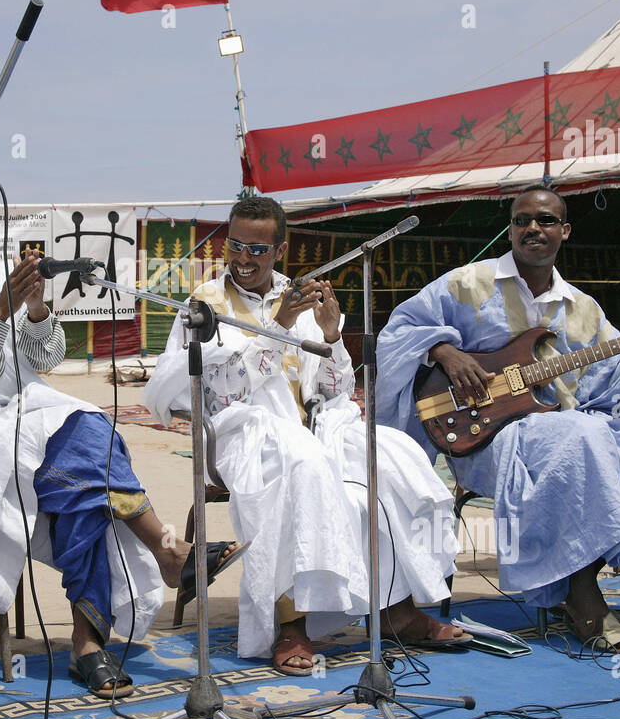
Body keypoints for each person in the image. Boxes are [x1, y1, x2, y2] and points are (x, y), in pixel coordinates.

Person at [0, 191, 243, 699]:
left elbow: (47, 357)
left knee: (86, 455)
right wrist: (0, 313)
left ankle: (102, 631)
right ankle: (144, 577)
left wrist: (31, 311)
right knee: (86, 450)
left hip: (36, 428)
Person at [375, 186, 620, 654]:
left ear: (564, 231)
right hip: (485, 440)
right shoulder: (468, 283)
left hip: (563, 429)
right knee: (583, 435)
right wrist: (446, 351)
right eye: (522, 220)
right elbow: (398, 331)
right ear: (510, 229)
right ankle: (583, 594)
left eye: (544, 221)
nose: (532, 229)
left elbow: (611, 379)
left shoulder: (582, 309)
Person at [145, 196, 467, 676]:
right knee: (299, 465)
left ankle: (393, 609)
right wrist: (280, 327)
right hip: (241, 433)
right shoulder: (204, 306)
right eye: (235, 246)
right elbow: (219, 392)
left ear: (279, 249)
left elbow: (333, 389)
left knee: (386, 460)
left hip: (311, 428)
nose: (243, 259)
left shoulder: (299, 293)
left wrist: (332, 335)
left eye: (256, 249)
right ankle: (291, 624)